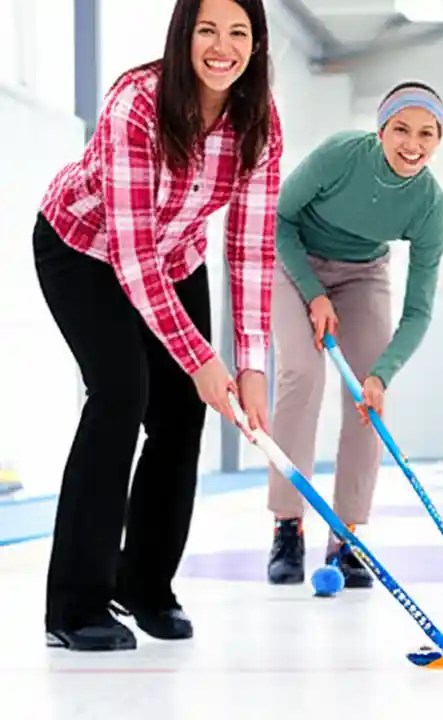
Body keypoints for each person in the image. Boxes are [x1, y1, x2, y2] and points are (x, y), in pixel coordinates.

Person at [34, 0, 282, 651]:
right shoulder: (136, 104)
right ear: (184, 35)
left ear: (256, 43)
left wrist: (252, 366)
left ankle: (144, 584)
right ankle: (74, 606)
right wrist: (203, 359)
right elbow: (130, 256)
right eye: (207, 30)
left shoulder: (259, 121)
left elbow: (252, 248)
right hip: (85, 248)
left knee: (181, 414)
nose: (221, 47)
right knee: (121, 395)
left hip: (175, 258)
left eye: (238, 32)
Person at [264, 82, 443, 589]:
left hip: (364, 274)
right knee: (302, 375)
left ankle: (346, 538)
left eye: (426, 133)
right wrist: (312, 292)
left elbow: (418, 309)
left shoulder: (429, 203)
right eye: (401, 130)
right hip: (294, 261)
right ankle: (288, 526)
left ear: (439, 139)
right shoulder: (341, 156)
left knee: (368, 397)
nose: (413, 143)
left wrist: (383, 374)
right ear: (381, 130)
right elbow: (279, 221)